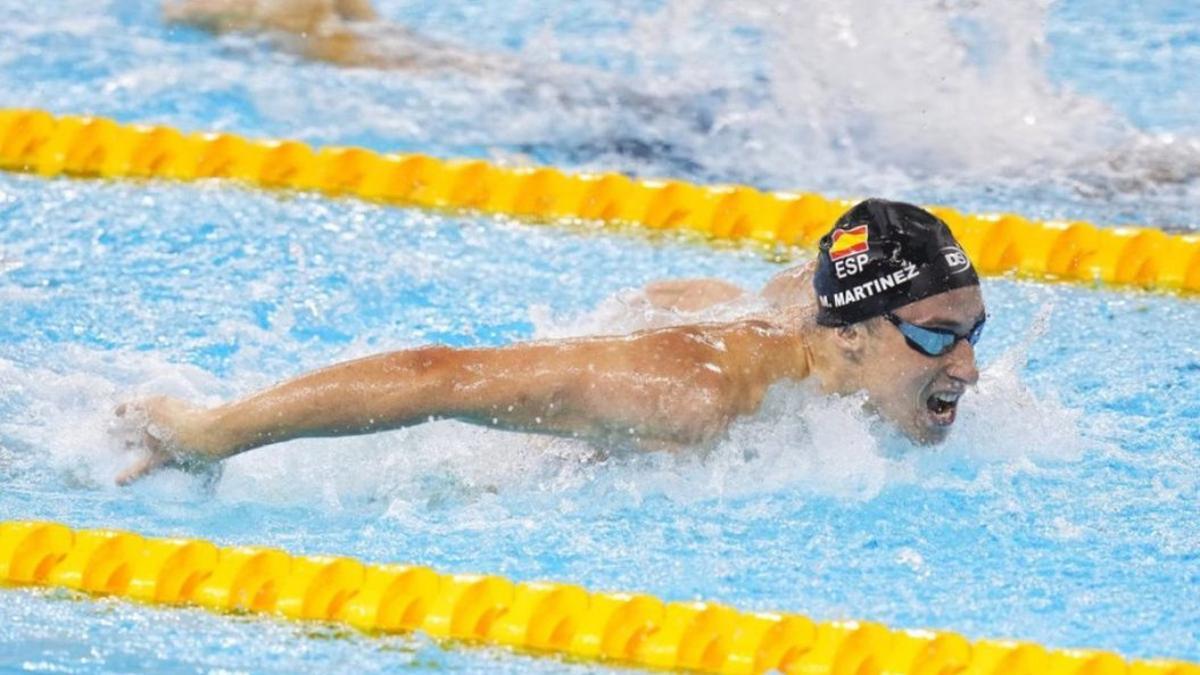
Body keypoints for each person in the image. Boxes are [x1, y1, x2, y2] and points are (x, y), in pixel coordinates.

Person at [115, 199, 986, 484]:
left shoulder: (840, 328)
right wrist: (207, 433)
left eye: (975, 333)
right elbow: (437, 375)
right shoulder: (689, 398)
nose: (971, 369)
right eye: (941, 338)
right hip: (650, 359)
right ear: (853, 338)